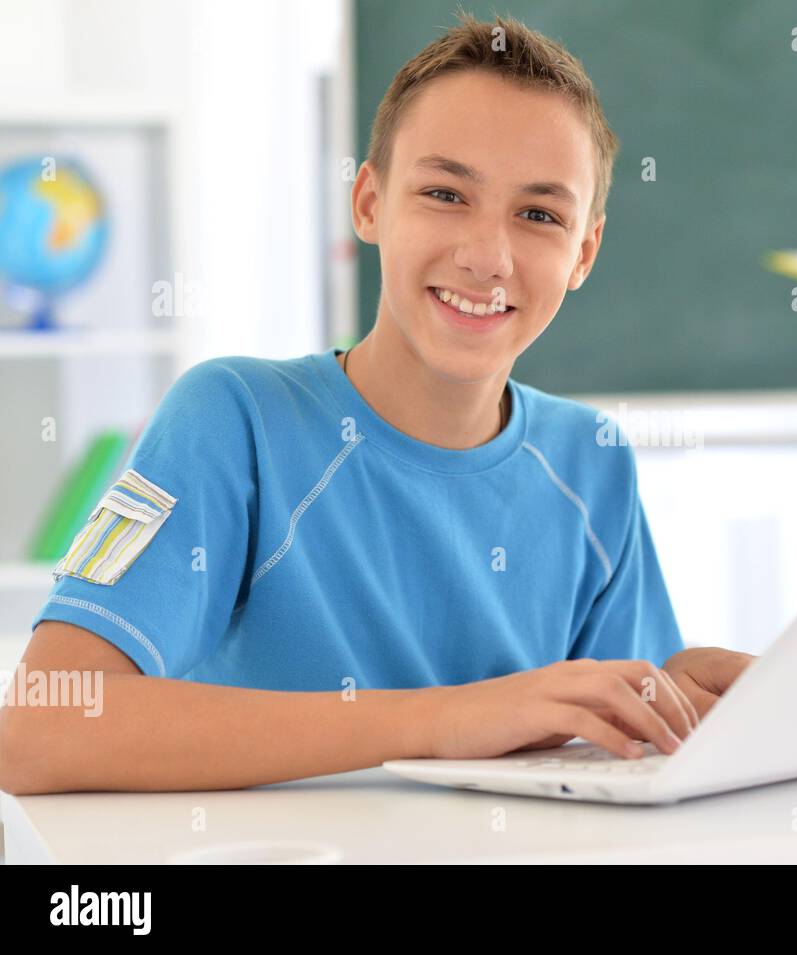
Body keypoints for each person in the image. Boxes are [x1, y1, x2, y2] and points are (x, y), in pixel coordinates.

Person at [0, 13, 755, 795]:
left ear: (584, 253)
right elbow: (40, 728)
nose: (486, 255)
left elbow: (608, 752)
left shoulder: (591, 459)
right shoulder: (235, 419)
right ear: (368, 202)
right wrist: (447, 720)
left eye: (539, 215)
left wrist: (675, 702)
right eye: (444, 193)